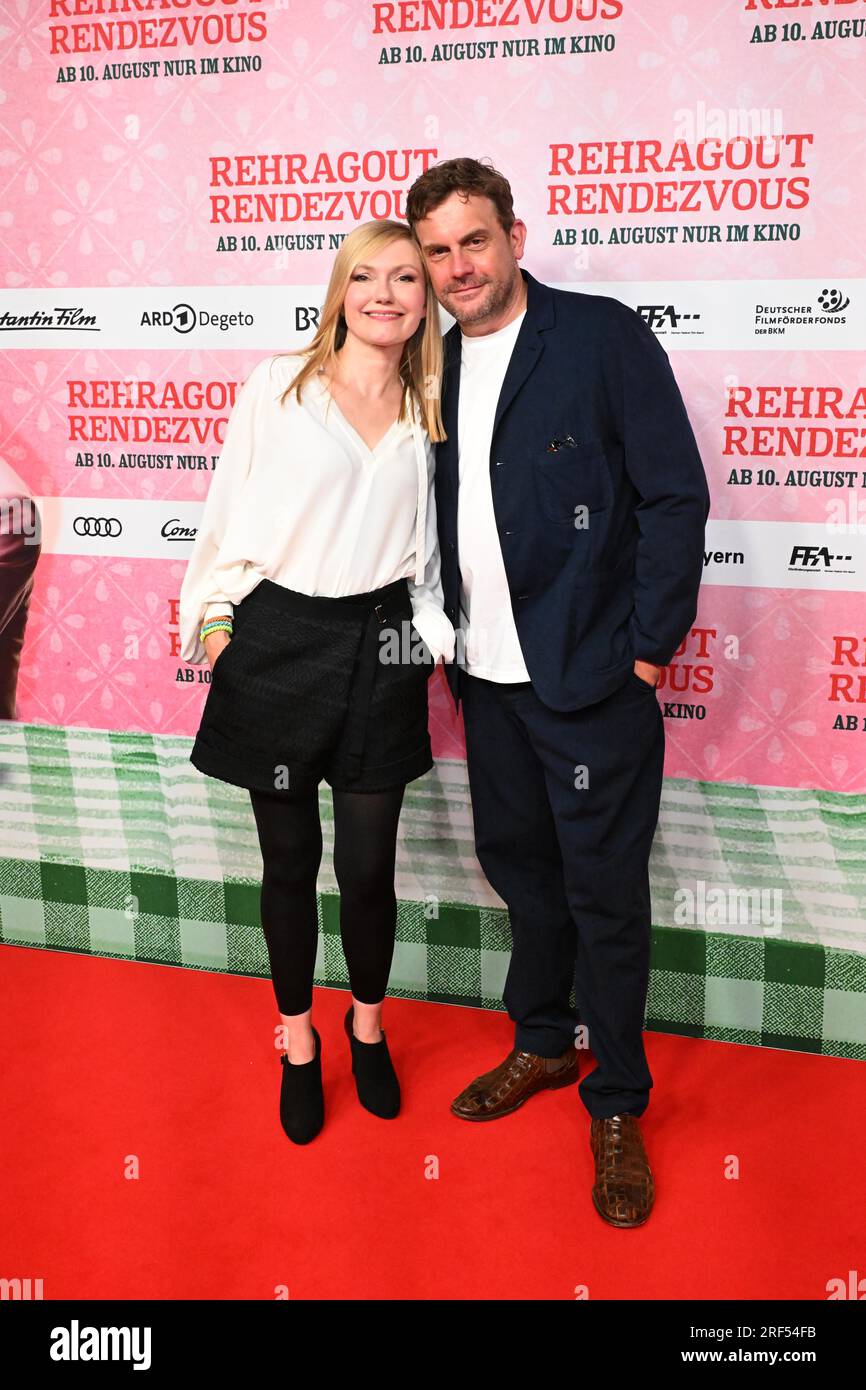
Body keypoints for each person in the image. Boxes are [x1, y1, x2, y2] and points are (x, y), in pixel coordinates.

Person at [406, 158, 710, 1227]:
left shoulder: (599, 335)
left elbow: (673, 495)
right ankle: (539, 1042)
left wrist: (645, 647)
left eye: (472, 241)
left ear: (516, 236)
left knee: (603, 895)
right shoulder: (424, 361)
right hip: (484, 683)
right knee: (520, 872)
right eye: (436, 249)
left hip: (592, 681)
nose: (456, 267)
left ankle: (617, 1101)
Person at [178, 220, 455, 1146]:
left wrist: (433, 637)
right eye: (366, 276)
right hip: (279, 641)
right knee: (290, 862)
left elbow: (428, 553)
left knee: (370, 866)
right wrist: (218, 628)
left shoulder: (431, 403)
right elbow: (227, 509)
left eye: (407, 278)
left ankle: (365, 1025)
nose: (386, 293)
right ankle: (297, 1040)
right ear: (340, 288)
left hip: (387, 644)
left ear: (426, 297)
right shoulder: (279, 386)